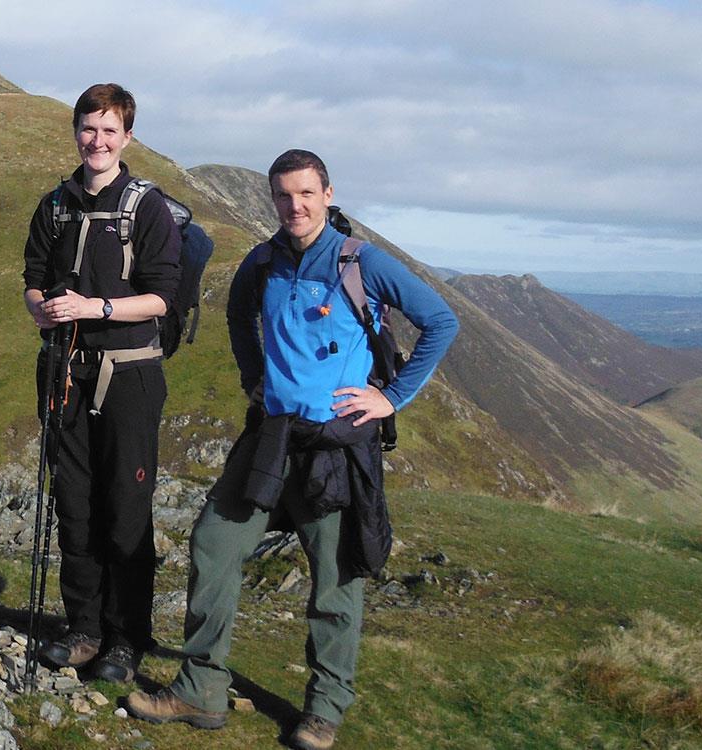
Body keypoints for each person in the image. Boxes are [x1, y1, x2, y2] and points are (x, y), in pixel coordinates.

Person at [124, 149, 458, 749]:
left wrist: (391, 399)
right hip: (271, 435)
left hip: (336, 444)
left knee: (335, 577)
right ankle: (202, 688)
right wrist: (254, 373)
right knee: (214, 542)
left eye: (306, 193)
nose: (294, 205)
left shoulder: (362, 263)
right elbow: (236, 316)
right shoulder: (264, 261)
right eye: (283, 195)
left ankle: (324, 708)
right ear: (273, 199)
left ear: (328, 195)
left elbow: (440, 321)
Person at [21, 83, 181, 684]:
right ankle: (83, 628)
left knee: (126, 508)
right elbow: (33, 276)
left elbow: (162, 296)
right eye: (89, 128)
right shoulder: (54, 205)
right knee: (75, 503)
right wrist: (42, 309)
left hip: (131, 374)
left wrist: (94, 309)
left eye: (110, 130)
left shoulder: (147, 208)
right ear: (76, 132)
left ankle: (125, 637)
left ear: (128, 137)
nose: (98, 140)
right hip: (66, 370)